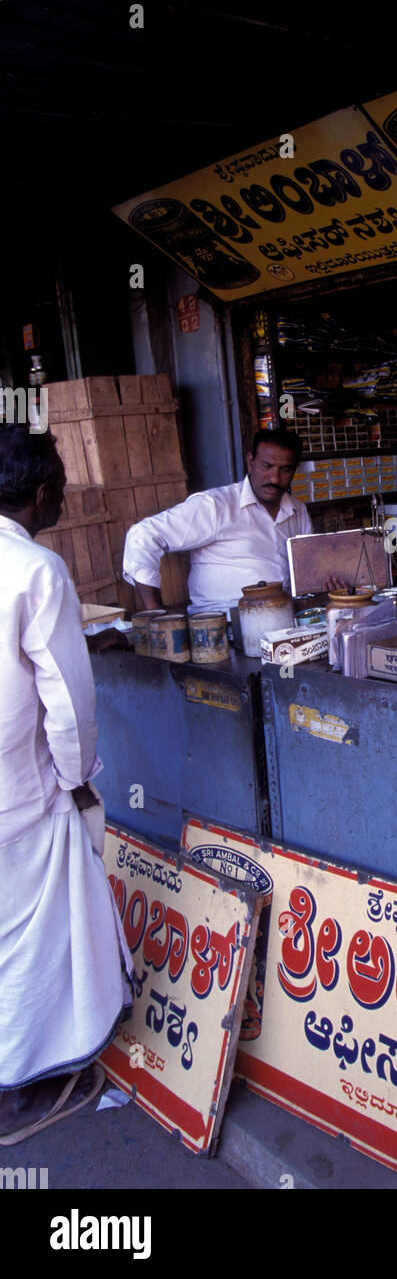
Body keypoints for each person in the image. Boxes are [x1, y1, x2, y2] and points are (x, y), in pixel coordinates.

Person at [0, 425, 132, 1145]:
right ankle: (14, 1094)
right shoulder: (35, 568)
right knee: (24, 945)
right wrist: (76, 782)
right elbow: (69, 703)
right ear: (44, 492)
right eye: (61, 487)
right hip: (17, 797)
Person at [123, 428, 314, 614]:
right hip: (223, 627)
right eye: (267, 466)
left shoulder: (298, 511)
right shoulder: (216, 506)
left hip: (285, 619)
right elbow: (143, 535)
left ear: (295, 470)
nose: (274, 477)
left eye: (285, 469)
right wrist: (154, 609)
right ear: (251, 462)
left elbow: (308, 571)